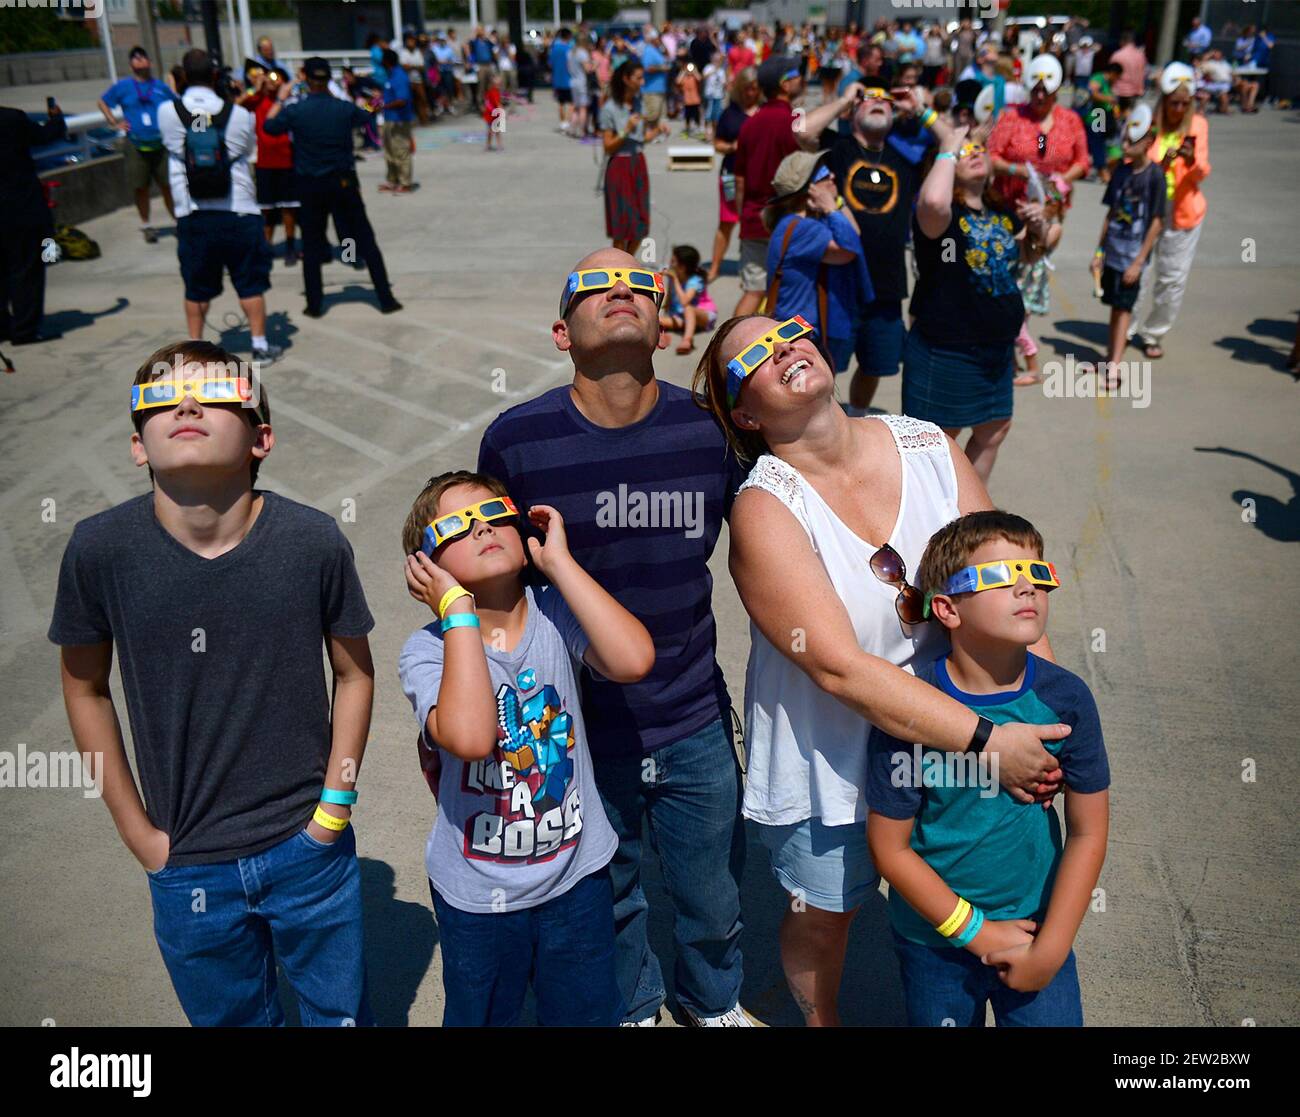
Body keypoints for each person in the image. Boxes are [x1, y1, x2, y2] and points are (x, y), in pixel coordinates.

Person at [691, 321, 1068, 1025]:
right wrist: (990, 740)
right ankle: (821, 1017)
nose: (783, 348)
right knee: (828, 913)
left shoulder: (929, 447)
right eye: (753, 356)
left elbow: (1008, 592)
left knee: (979, 893)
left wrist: (1049, 724)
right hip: (836, 753)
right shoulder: (764, 509)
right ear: (744, 413)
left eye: (791, 331)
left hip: (968, 732)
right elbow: (840, 668)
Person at [49, 339, 376, 1026]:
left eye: (213, 394)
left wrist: (333, 809)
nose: (187, 403)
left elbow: (353, 673)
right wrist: (139, 833)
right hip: (185, 860)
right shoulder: (99, 550)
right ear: (138, 444)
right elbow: (85, 688)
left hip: (307, 847)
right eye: (160, 398)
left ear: (262, 436)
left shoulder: (312, 540)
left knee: (338, 1015)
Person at [477, 248, 754, 1028]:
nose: (621, 292)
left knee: (714, 892)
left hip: (693, 708)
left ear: (667, 326)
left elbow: (774, 536)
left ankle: (712, 1001)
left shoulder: (709, 434)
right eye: (594, 286)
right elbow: (496, 573)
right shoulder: (516, 439)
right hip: (575, 717)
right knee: (610, 886)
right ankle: (633, 1006)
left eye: (640, 285)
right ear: (562, 332)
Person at [397, 471, 652, 1026]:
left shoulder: (555, 613)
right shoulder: (426, 651)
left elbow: (633, 660)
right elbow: (471, 737)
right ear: (427, 566)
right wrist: (457, 614)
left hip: (575, 877)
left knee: (586, 1013)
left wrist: (559, 563)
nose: (482, 528)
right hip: (478, 896)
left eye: (494, 515)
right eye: (457, 526)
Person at [868, 511, 1109, 1027]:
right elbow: (891, 847)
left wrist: (1052, 947)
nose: (1028, 587)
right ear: (948, 609)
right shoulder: (912, 709)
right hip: (934, 942)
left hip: (1037, 933)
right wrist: (974, 931)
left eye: (1037, 574)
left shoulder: (1066, 700)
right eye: (1002, 576)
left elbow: (1089, 833)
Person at [905, 115, 1047, 483]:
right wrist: (948, 147)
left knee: (994, 429)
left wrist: (1037, 231)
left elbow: (1020, 257)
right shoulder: (940, 216)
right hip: (947, 348)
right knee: (935, 444)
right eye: (963, 151)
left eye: (979, 148)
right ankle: (932, 524)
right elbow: (934, 198)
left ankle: (968, 512)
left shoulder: (1000, 212)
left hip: (995, 351)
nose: (973, 152)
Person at [799, 83, 931, 411]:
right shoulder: (838, 148)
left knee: (875, 366)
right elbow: (800, 128)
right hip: (838, 283)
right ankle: (822, 422)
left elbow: (956, 145)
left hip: (886, 285)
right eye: (869, 99)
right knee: (825, 365)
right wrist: (844, 98)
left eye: (884, 101)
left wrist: (920, 107)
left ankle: (856, 417)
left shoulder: (906, 156)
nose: (878, 103)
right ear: (854, 112)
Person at [158, 49, 279, 362]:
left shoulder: (167, 112)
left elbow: (171, 144)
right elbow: (250, 152)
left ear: (182, 76)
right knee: (249, 283)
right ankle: (260, 345)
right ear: (216, 76)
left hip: (193, 212)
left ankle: (191, 351)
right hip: (238, 210)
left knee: (195, 287)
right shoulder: (239, 115)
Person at [263, 56, 401, 318]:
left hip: (310, 185)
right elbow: (370, 113)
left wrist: (281, 98)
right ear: (329, 79)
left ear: (305, 77)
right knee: (365, 240)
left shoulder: (295, 109)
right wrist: (378, 97)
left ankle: (314, 304)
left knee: (313, 246)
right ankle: (386, 298)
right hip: (343, 182)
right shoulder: (343, 108)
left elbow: (269, 127)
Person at [1128, 64, 1210, 362]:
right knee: (1137, 271)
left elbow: (1203, 171)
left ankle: (1154, 333)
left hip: (1184, 210)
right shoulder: (1150, 124)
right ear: (1163, 102)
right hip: (1149, 209)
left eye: (1185, 103)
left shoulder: (1198, 125)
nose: (1179, 109)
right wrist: (1160, 163)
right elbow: (1133, 163)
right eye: (1174, 102)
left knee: (1172, 277)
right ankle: (1127, 327)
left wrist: (1189, 162)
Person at [763, 151, 869, 375]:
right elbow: (849, 249)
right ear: (807, 190)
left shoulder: (797, 222)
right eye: (823, 174)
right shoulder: (803, 228)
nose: (832, 175)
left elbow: (853, 235)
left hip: (797, 326)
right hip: (800, 332)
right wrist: (831, 207)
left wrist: (835, 202)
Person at [1091, 105, 1165, 391]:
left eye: (1130, 141)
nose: (1123, 145)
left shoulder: (1154, 176)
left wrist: (1139, 261)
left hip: (1132, 257)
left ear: (1148, 142)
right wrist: (1098, 253)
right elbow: (1110, 214)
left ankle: (1115, 366)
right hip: (1113, 253)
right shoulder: (1120, 172)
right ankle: (1110, 356)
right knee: (1114, 308)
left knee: (1124, 310)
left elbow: (1157, 222)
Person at [732, 57, 803, 317]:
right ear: (784, 84)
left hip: (753, 217)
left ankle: (727, 349)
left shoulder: (750, 124)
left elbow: (739, 179)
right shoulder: (795, 121)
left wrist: (744, 216)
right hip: (786, 220)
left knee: (754, 291)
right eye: (796, 75)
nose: (801, 80)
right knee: (788, 293)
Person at [0, 98, 66, 351]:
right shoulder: (12, 118)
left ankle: (2, 326)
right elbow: (45, 135)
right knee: (26, 269)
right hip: (20, 206)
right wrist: (56, 118)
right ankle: (25, 329)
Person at [988, 54, 1089, 211]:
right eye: (1035, 91)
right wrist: (1015, 169)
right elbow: (991, 156)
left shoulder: (1071, 119)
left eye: (1045, 91)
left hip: (1051, 204)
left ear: (1055, 91)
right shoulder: (1012, 117)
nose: (1040, 96)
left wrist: (1063, 179)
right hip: (1011, 203)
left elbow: (1082, 161)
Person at [98, 46, 177, 244]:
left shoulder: (160, 87)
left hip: (160, 143)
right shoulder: (123, 87)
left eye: (143, 57)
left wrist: (173, 84)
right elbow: (102, 102)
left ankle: (178, 223)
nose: (139, 60)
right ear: (131, 64)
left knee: (168, 185)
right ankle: (146, 225)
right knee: (140, 187)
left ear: (150, 62)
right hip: (135, 143)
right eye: (135, 58)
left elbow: (177, 104)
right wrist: (113, 122)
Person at [599, 60, 664, 257]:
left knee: (641, 223)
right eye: (638, 78)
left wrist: (658, 130)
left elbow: (641, 139)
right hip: (619, 165)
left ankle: (628, 259)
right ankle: (619, 265)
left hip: (638, 162)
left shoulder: (638, 103)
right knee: (621, 224)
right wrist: (625, 129)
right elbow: (608, 146)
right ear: (626, 79)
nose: (642, 82)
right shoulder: (610, 108)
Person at [240, 65, 299, 266]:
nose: (273, 81)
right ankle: (266, 246)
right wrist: (255, 87)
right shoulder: (257, 99)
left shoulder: (288, 100)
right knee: (267, 209)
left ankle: (291, 245)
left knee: (288, 207)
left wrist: (291, 85)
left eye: (277, 78)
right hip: (265, 162)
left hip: (287, 159)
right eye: (271, 77)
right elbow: (237, 105)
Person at [706, 66, 759, 282]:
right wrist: (732, 147)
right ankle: (715, 267)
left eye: (754, 89)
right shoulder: (730, 113)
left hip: (758, 177)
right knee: (727, 222)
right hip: (730, 174)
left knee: (758, 224)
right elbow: (717, 144)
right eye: (746, 89)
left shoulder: (764, 111)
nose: (750, 93)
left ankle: (756, 266)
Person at [658, 244, 717, 354]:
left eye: (673, 261)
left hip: (704, 316)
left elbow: (685, 302)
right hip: (682, 317)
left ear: (682, 267)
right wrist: (667, 311)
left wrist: (675, 280)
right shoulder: (674, 276)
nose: (670, 264)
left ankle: (687, 340)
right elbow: (670, 297)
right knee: (657, 321)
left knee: (688, 308)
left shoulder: (695, 281)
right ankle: (659, 337)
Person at [377, 49, 415, 193]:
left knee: (401, 151)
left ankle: (405, 182)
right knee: (389, 151)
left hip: (399, 121)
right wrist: (369, 107)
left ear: (387, 61)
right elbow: (385, 96)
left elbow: (402, 100)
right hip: (389, 119)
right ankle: (392, 180)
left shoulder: (399, 76)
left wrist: (383, 106)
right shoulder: (390, 76)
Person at [638, 25, 670, 139]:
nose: (660, 41)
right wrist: (662, 68)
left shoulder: (656, 50)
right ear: (653, 39)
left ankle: (654, 135)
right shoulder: (648, 51)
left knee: (658, 115)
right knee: (651, 115)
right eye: (658, 39)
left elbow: (668, 55)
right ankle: (643, 133)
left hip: (659, 88)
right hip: (651, 89)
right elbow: (647, 68)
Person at [1109, 31, 1147, 111]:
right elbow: (1143, 74)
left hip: (1119, 91)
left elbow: (1111, 75)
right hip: (1135, 92)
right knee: (1130, 119)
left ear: (1122, 41)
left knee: (1116, 118)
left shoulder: (1118, 55)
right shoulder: (1141, 56)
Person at [568, 32, 593, 139]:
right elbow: (588, 69)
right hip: (581, 82)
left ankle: (572, 129)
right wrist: (595, 65)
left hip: (573, 82)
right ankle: (582, 131)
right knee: (583, 108)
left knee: (576, 107)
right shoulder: (583, 53)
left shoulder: (571, 52)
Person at [550, 27, 574, 132]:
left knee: (560, 103)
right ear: (568, 36)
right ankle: (568, 122)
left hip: (557, 79)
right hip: (568, 79)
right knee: (571, 102)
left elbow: (550, 63)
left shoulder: (554, 48)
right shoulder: (570, 48)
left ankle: (562, 122)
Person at [677, 61, 703, 136]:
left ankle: (698, 129)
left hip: (695, 100)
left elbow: (699, 78)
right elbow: (678, 81)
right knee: (687, 117)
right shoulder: (684, 78)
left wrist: (694, 71)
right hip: (687, 101)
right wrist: (683, 71)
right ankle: (687, 130)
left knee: (696, 116)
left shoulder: (694, 77)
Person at [482, 70, 504, 151]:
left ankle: (493, 145)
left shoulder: (495, 91)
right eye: (498, 84)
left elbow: (490, 102)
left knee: (494, 131)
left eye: (500, 84)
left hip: (493, 114)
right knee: (492, 131)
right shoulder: (493, 92)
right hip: (492, 114)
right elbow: (495, 103)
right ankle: (492, 145)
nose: (499, 85)